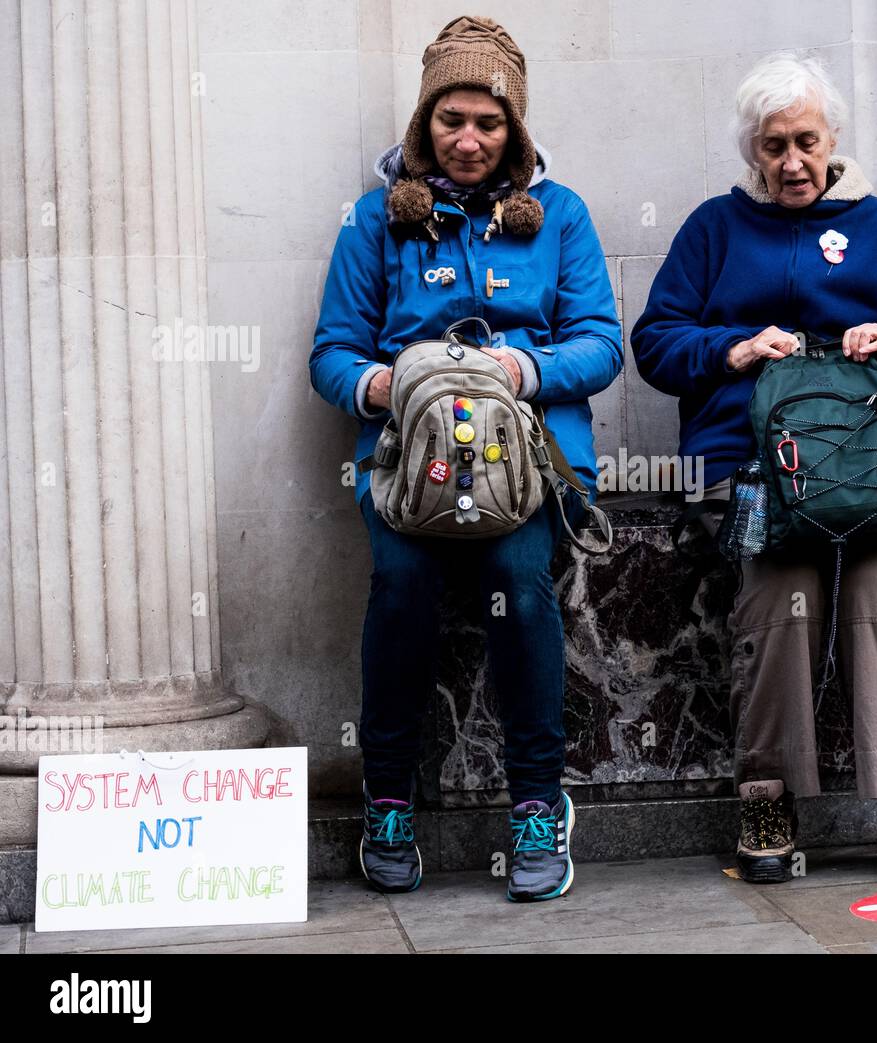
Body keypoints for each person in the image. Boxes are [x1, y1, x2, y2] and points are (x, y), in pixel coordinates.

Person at [631, 52, 877, 884]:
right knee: (780, 599)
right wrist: (734, 348)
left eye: (807, 142)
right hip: (752, 464)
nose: (792, 162)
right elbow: (653, 341)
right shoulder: (713, 229)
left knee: (876, 598)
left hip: (862, 468)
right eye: (773, 145)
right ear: (752, 149)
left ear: (834, 140)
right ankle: (768, 795)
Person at [310, 16, 621, 901]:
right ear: (424, 124)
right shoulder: (377, 221)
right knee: (400, 587)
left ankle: (535, 802)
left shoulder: (560, 217)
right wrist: (394, 384)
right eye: (451, 119)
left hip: (528, 467)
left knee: (519, 588)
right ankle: (390, 796)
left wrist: (521, 368)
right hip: (409, 470)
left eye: (487, 121)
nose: (469, 139)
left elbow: (602, 345)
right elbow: (330, 354)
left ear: (514, 128)